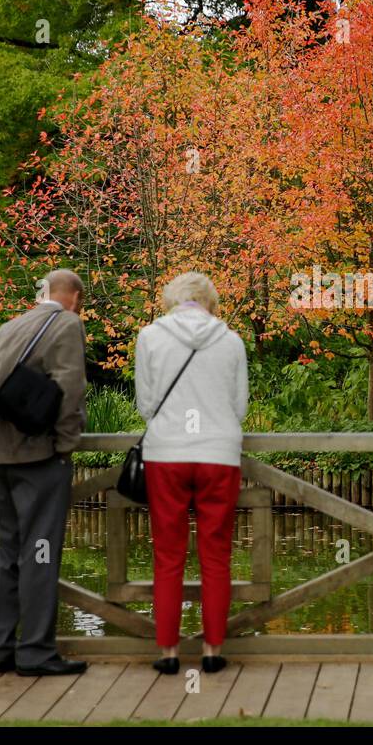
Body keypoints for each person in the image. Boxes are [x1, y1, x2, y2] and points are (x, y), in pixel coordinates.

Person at [0, 268, 89, 676]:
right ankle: (36, 652)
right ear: (73, 297)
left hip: (1, 456)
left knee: (10, 554)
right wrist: (64, 445)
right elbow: (70, 389)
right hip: (39, 458)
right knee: (41, 554)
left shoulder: (11, 325)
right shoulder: (67, 323)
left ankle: (1, 649)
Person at [135, 271, 249, 674]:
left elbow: (146, 404)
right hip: (219, 454)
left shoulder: (150, 337)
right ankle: (212, 651)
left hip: (167, 453)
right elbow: (239, 406)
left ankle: (168, 653)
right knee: (216, 555)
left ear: (172, 300)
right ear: (211, 302)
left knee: (168, 554)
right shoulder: (231, 341)